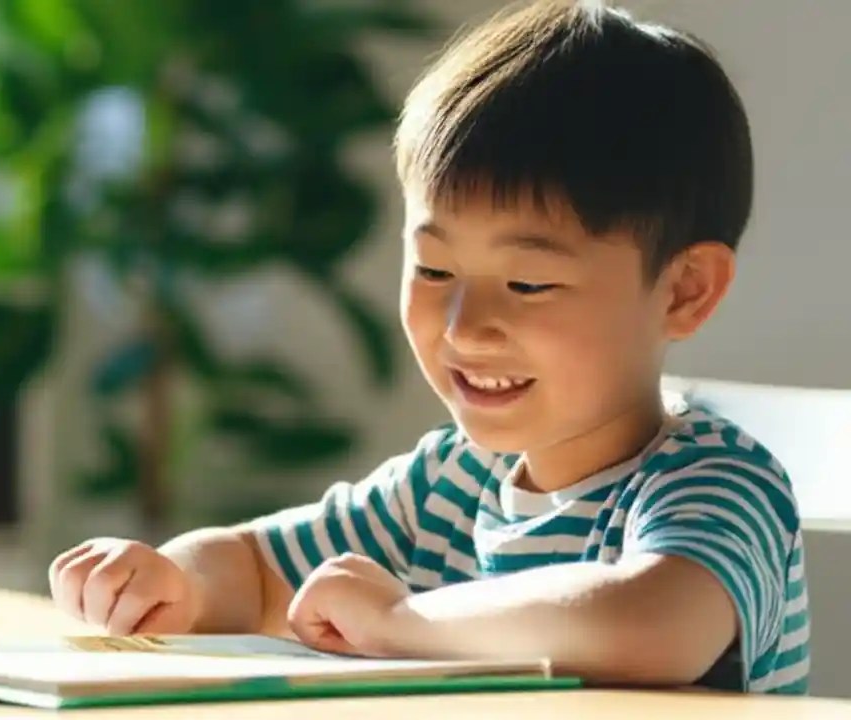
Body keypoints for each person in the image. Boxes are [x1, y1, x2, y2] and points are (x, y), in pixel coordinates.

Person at [48, 0, 808, 694]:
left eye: (529, 284)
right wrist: (175, 582)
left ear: (684, 291)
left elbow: (655, 625)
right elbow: (255, 569)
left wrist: (403, 624)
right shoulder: (445, 485)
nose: (462, 327)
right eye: (436, 269)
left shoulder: (715, 480)